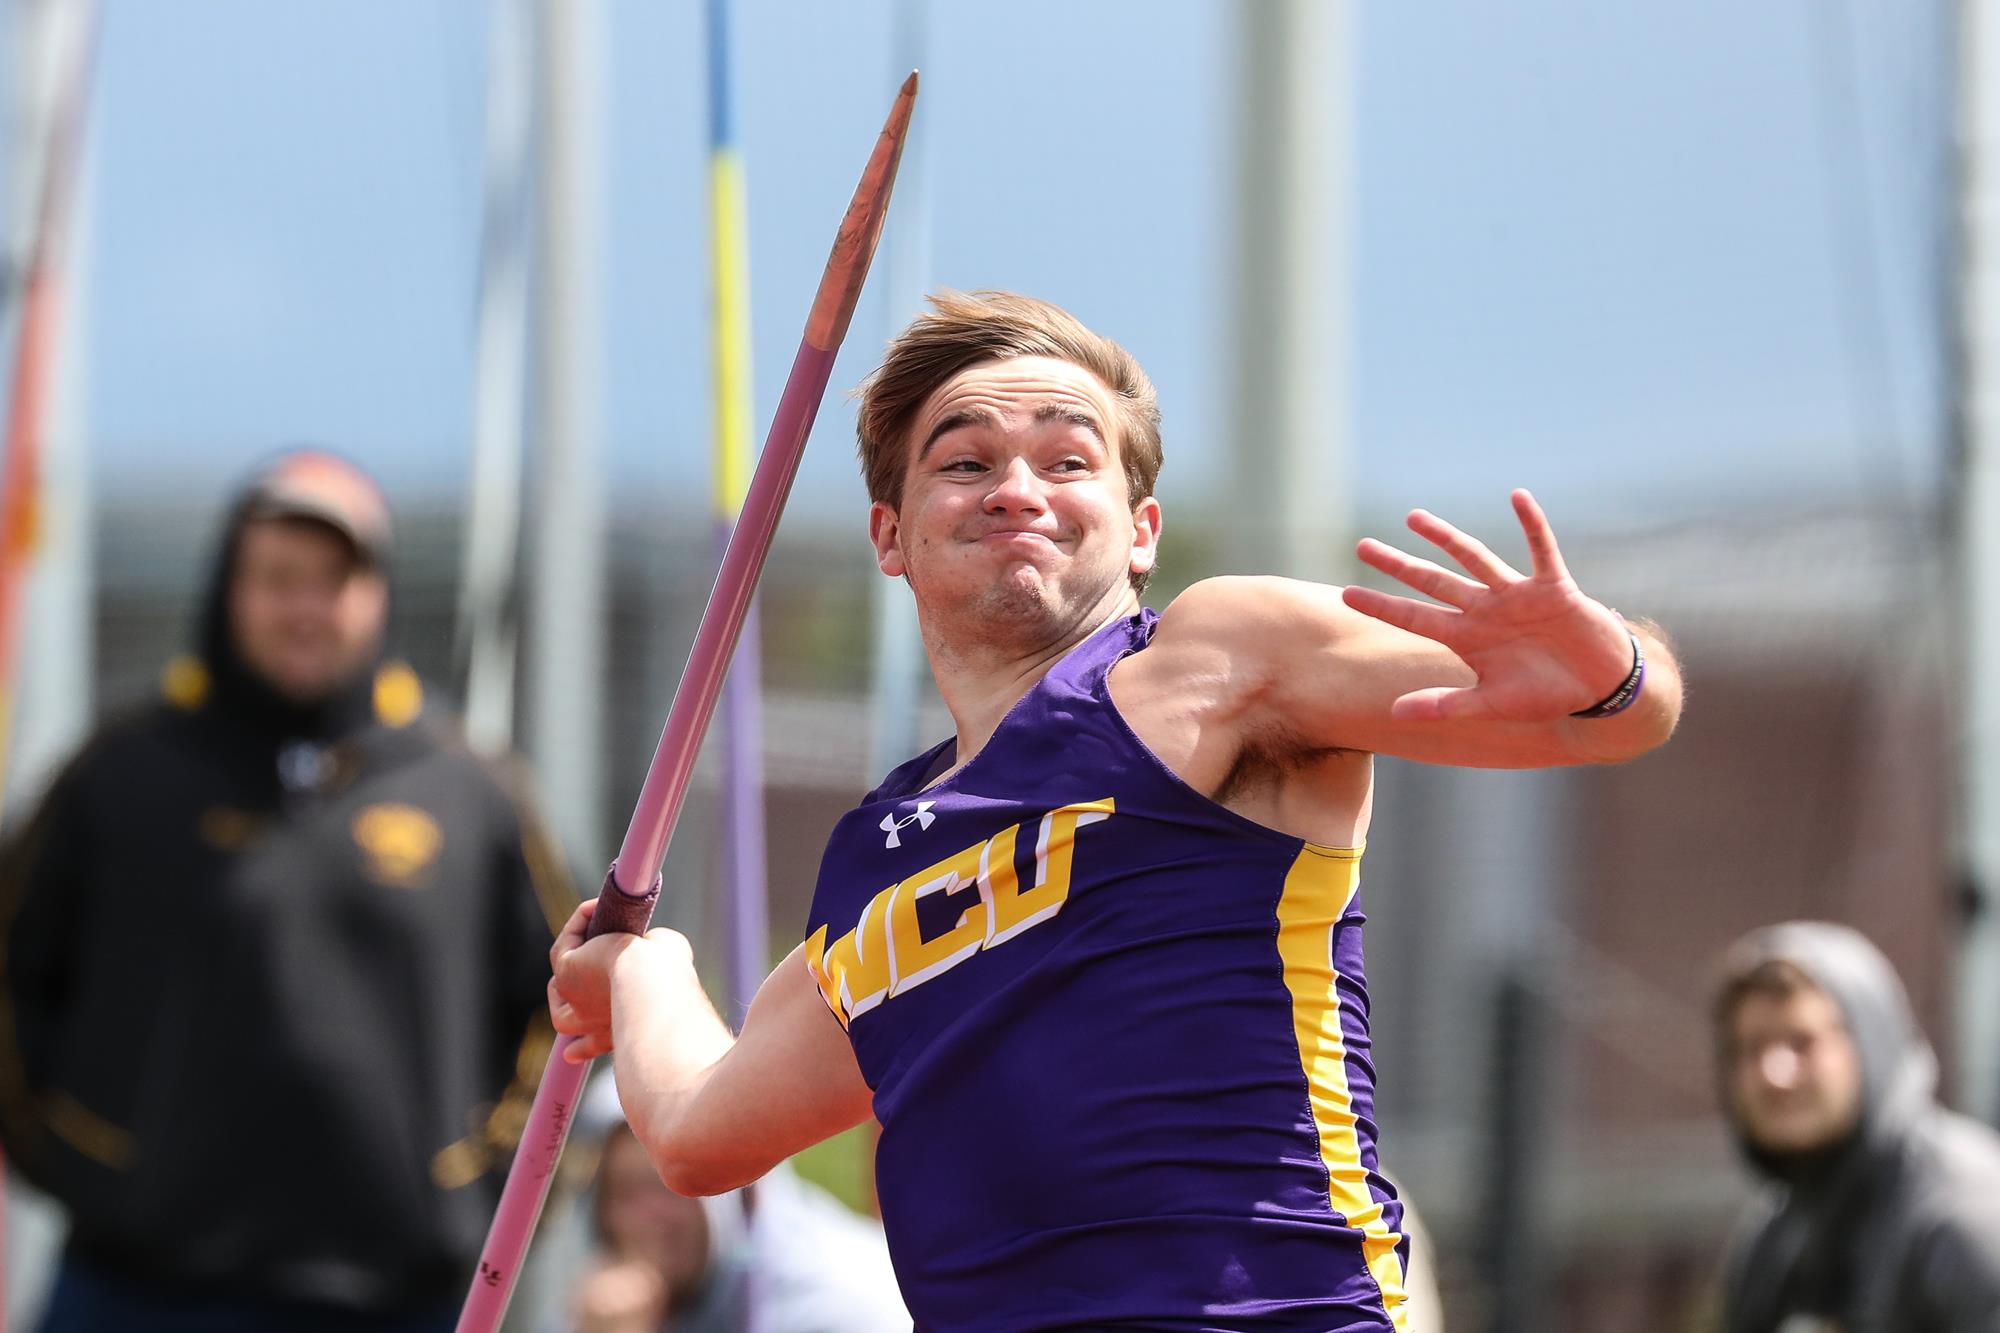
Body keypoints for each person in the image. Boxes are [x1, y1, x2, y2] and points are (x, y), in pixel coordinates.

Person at [549, 291, 1684, 1331]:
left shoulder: (1214, 661)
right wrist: (642, 969)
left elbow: (1597, 715)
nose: (1016, 487)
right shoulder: (877, 871)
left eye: (1066, 457)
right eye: (963, 461)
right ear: (890, 534)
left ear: (1139, 528)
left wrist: (1615, 669)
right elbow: (699, 1134)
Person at [0, 450, 575, 1332]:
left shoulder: (472, 791)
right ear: (229, 588)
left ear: (377, 595)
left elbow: (573, 1010)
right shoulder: (116, 774)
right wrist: (77, 1156)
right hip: (133, 1293)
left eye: (333, 581)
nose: (305, 608)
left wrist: (479, 1182)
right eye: (277, 579)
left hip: (404, 1301)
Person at [1713, 921, 2000, 1332]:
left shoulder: (1964, 1218)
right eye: (1752, 1047)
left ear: (1870, 1043)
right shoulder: (1776, 1239)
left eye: (1801, 1041)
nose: (1773, 1074)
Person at [570, 1085, 907, 1333]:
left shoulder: (841, 1306)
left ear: (732, 1194)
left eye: (669, 1188)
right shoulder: (601, 1305)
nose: (650, 1219)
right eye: (625, 1192)